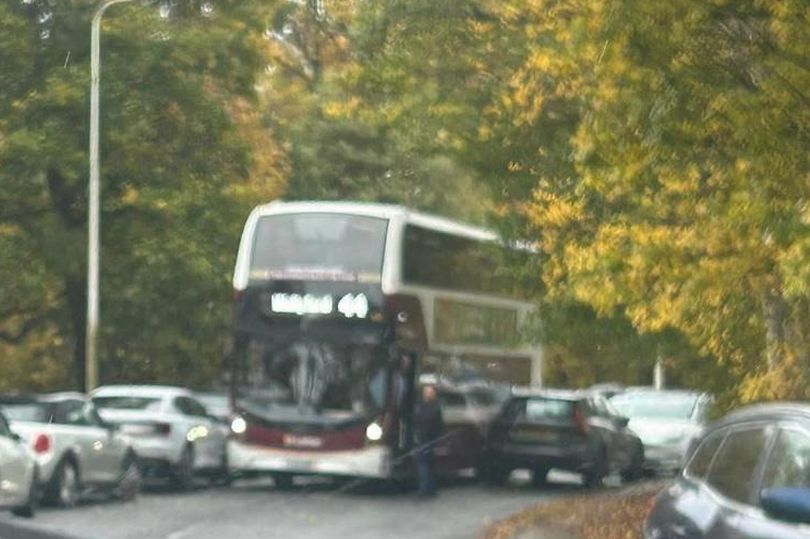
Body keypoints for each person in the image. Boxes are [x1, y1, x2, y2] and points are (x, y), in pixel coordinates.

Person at [413, 384, 444, 497]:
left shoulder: (432, 408)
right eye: (427, 392)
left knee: (424, 464)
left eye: (430, 392)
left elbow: (437, 424)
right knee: (428, 464)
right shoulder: (422, 406)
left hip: (427, 439)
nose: (428, 394)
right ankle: (430, 489)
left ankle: (425, 489)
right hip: (424, 439)